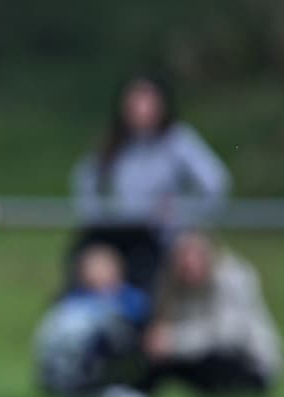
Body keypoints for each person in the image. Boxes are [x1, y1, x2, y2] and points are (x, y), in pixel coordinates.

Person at [69, 75, 231, 293]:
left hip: (159, 235)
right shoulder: (115, 142)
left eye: (148, 102)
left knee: (145, 272)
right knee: (87, 259)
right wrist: (102, 215)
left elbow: (216, 183)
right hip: (119, 229)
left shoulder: (178, 141)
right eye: (135, 102)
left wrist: (181, 212)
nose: (141, 110)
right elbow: (85, 182)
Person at [136, 231, 282, 397]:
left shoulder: (232, 280)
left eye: (196, 257)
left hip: (249, 366)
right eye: (183, 258)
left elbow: (229, 334)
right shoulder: (173, 284)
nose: (190, 264)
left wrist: (174, 341)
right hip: (202, 357)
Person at [35, 244, 150, 397]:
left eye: (102, 268)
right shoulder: (72, 301)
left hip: (120, 360)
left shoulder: (130, 298)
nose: (96, 274)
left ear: (117, 270)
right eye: (90, 268)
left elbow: (137, 328)